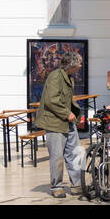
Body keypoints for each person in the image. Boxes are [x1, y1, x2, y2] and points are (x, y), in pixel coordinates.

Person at [38, 51, 85, 198]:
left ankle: (77, 185)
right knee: (57, 156)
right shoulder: (55, 76)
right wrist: (67, 113)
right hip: (54, 123)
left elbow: (68, 99)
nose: (81, 65)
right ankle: (56, 187)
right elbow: (51, 100)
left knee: (75, 152)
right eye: (79, 62)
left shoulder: (69, 77)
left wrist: (77, 114)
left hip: (67, 122)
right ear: (72, 64)